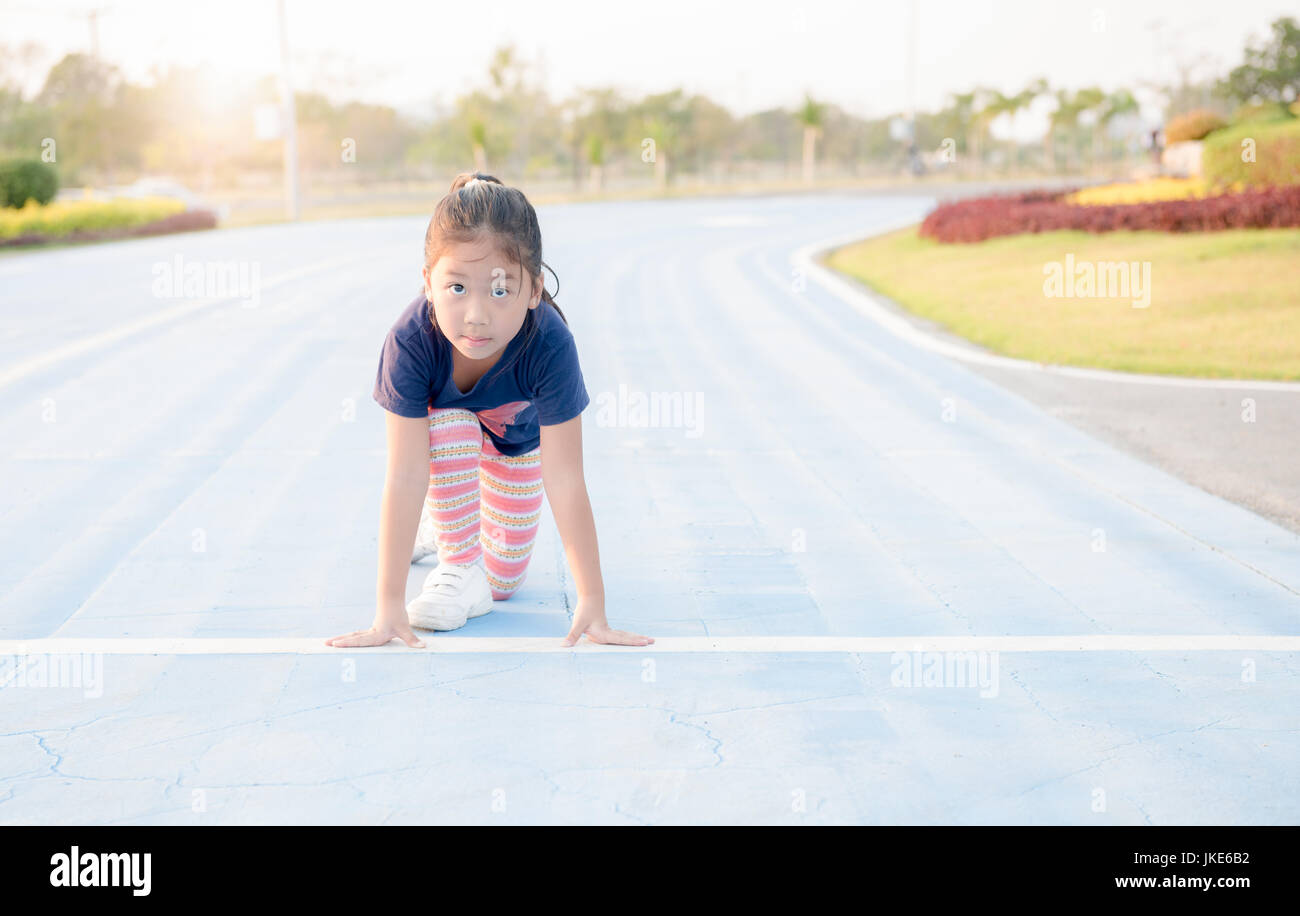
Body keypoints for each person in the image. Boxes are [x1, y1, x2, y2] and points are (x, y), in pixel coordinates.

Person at [325, 172, 653, 649]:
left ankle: (444, 527)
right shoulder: (411, 341)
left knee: (500, 584)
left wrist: (592, 601)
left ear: (534, 291)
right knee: (452, 422)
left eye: (500, 291)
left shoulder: (549, 343)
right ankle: (455, 554)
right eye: (457, 288)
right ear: (428, 283)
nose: (476, 314)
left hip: (513, 447)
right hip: (443, 447)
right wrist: (389, 608)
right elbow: (405, 475)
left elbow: (563, 477)